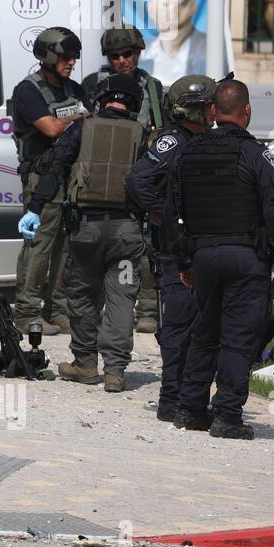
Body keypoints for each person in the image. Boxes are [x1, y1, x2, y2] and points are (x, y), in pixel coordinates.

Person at [170, 78, 274, 439]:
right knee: (238, 338)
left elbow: (174, 212)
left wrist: (184, 263)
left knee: (204, 333)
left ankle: (190, 408)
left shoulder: (187, 153)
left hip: (203, 258)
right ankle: (226, 416)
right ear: (247, 111)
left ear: (212, 112)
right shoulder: (257, 155)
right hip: (246, 260)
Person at [19, 73, 149, 391]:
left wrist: (35, 207)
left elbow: (56, 169)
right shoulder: (142, 134)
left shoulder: (82, 128)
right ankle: (116, 371)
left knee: (83, 298)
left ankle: (86, 364)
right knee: (121, 300)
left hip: (86, 232)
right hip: (128, 234)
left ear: (101, 97)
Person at [125, 75, 217, 421]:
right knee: (179, 326)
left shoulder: (204, 140)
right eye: (207, 107)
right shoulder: (173, 141)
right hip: (175, 252)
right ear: (190, 110)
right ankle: (172, 400)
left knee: (199, 326)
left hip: (200, 248)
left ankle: (191, 398)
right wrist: (167, 213)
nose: (212, 112)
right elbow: (137, 180)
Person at [82, 25, 166, 335]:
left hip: (139, 176)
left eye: (126, 54)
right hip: (101, 176)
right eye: (114, 55)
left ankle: (146, 309)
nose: (121, 61)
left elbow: (163, 130)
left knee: (145, 245)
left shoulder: (153, 89)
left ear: (138, 53)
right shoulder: (93, 84)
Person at [8, 26, 87, 335]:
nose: (71, 62)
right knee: (39, 244)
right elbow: (51, 130)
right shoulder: (28, 90)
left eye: (74, 57)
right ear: (48, 56)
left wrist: (72, 119)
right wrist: (75, 119)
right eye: (65, 57)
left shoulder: (75, 90)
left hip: (71, 177)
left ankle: (58, 309)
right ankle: (26, 312)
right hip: (41, 178)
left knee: (67, 245)